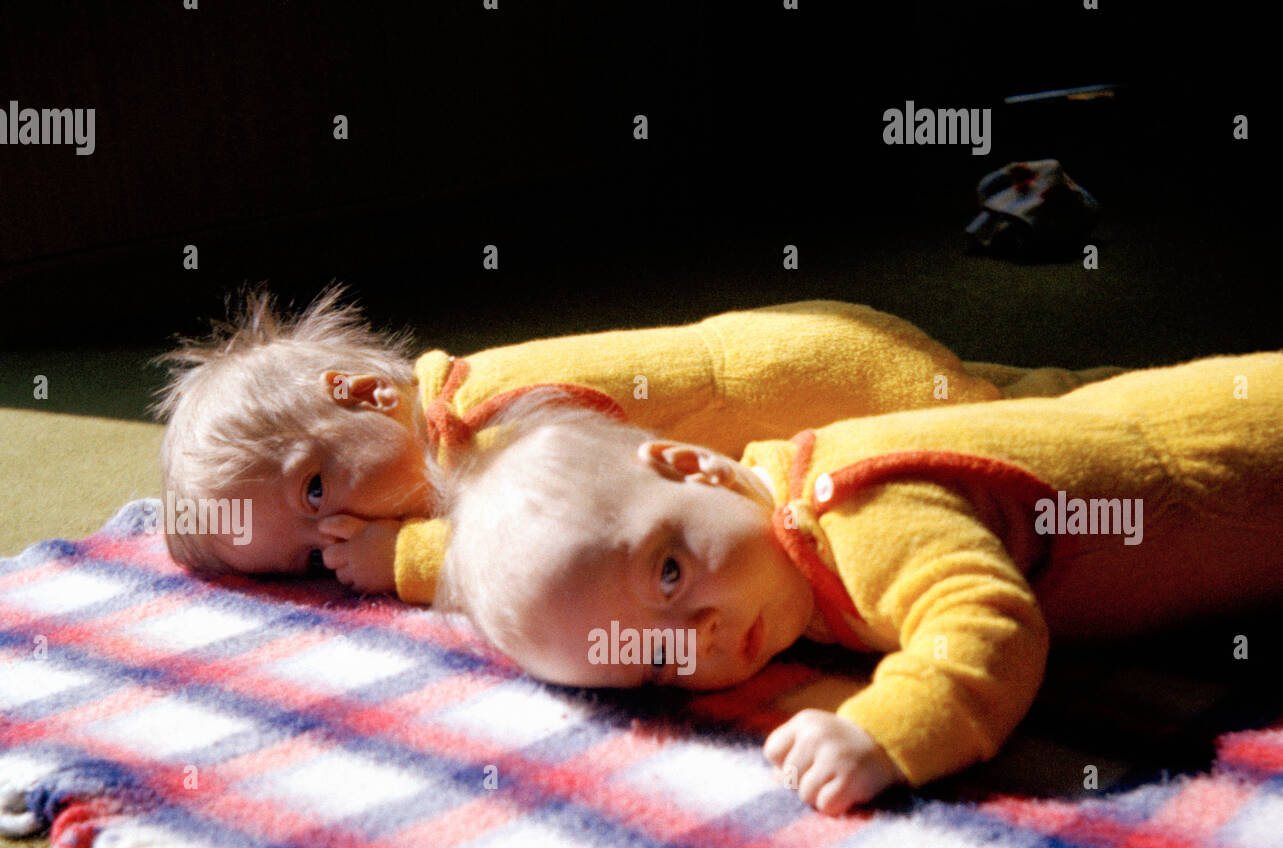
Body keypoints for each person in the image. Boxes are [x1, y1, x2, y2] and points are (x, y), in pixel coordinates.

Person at [426, 351, 1283, 814]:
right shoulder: (764, 540)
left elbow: (988, 621)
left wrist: (885, 731)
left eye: (670, 573)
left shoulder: (850, 518)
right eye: (654, 663)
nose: (701, 638)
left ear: (696, 470)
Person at [154, 286, 1107, 591]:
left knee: (1037, 437)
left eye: (315, 490)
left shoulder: (482, 412)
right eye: (306, 554)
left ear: (364, 393)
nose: (337, 531)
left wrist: (405, 558)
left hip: (827, 371)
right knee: (1039, 400)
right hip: (807, 372)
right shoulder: (440, 445)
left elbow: (550, 543)